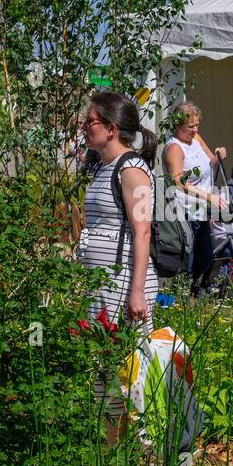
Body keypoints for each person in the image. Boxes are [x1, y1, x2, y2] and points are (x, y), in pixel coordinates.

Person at [77, 91, 158, 444]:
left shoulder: (132, 169)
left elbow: (142, 230)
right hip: (104, 285)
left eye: (89, 121)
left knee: (130, 372)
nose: (83, 127)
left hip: (125, 285)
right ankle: (115, 450)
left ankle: (146, 450)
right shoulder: (102, 167)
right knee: (107, 370)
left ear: (110, 128)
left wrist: (136, 292)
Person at [162, 101, 226, 294]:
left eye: (197, 125)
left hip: (200, 211)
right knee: (187, 261)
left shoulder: (196, 139)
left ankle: (195, 295)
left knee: (205, 257)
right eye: (190, 127)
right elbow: (177, 181)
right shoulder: (174, 148)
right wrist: (207, 196)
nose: (195, 129)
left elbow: (211, 163)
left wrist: (218, 155)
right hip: (183, 212)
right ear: (177, 125)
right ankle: (181, 298)